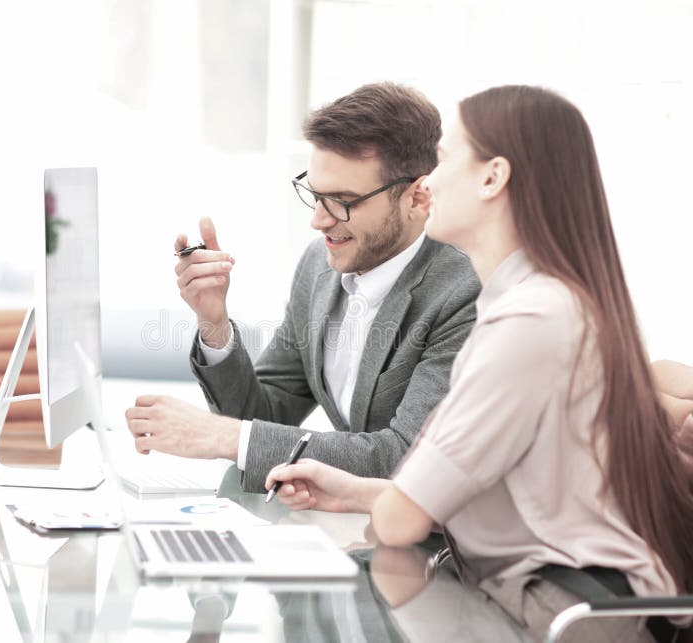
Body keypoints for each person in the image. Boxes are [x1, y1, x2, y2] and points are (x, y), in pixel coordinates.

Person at [266, 85, 693, 642]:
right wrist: (356, 490)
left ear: (493, 177)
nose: (430, 180)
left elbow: (402, 521)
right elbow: (507, 498)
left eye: (445, 158)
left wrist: (387, 498)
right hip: (550, 602)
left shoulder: (530, 321)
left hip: (561, 615)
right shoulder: (539, 302)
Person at [125, 82, 480, 493]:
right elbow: (265, 413)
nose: (319, 220)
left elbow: (405, 459)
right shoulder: (319, 265)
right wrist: (214, 323)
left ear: (419, 197)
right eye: (315, 194)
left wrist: (223, 438)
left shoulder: (466, 292)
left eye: (344, 200)